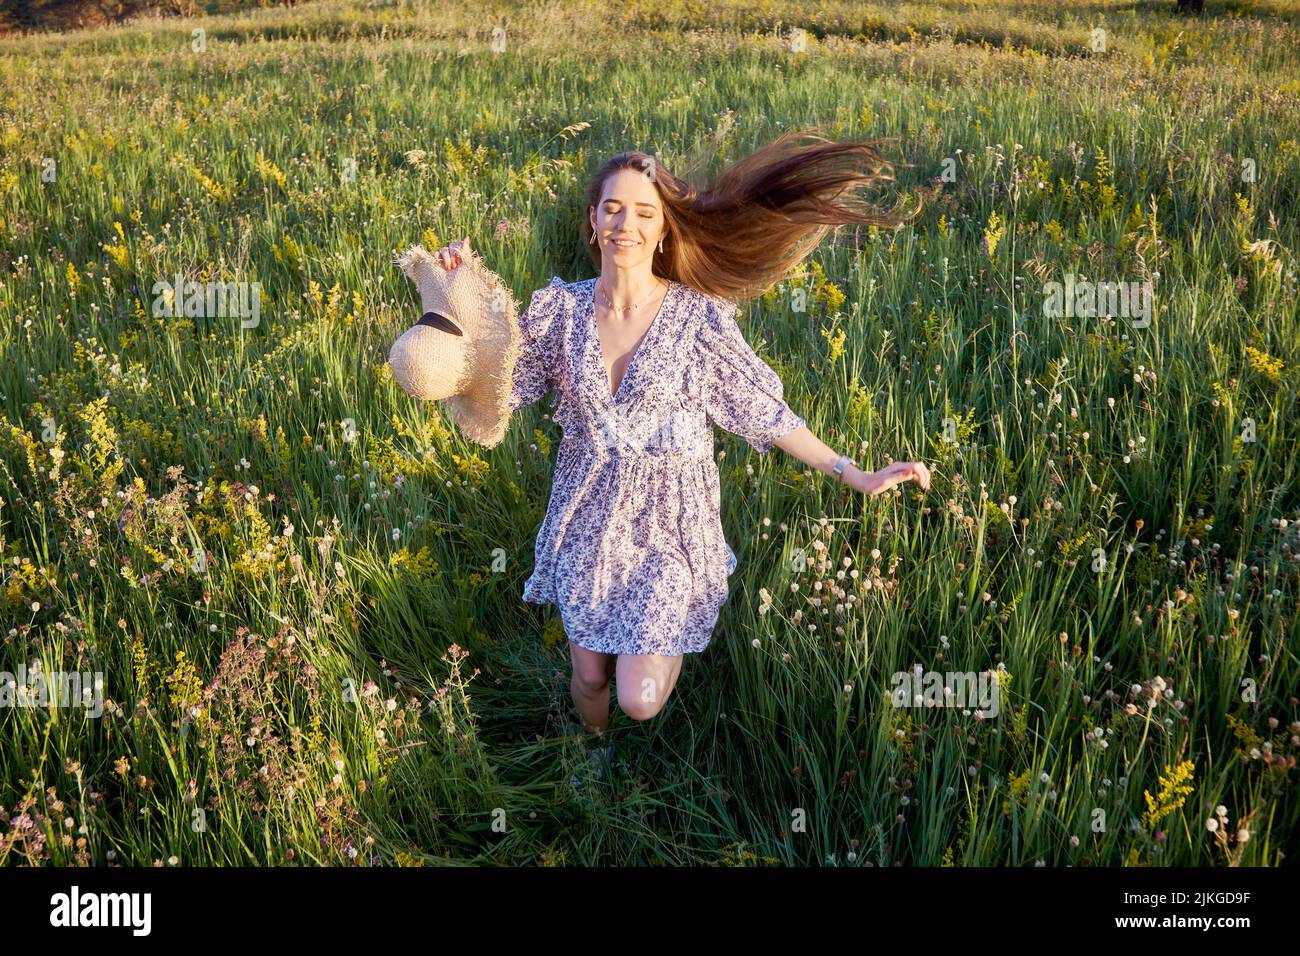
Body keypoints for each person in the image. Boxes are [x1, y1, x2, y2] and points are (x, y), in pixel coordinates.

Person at [433, 128, 932, 756]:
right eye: (612, 208)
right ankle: (592, 755)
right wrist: (463, 295)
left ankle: (656, 646)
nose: (627, 224)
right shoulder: (560, 315)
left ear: (664, 228)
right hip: (588, 513)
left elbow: (765, 412)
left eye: (645, 212)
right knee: (589, 675)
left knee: (639, 697)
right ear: (592, 221)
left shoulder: (696, 319)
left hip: (673, 521)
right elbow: (501, 381)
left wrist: (852, 472)